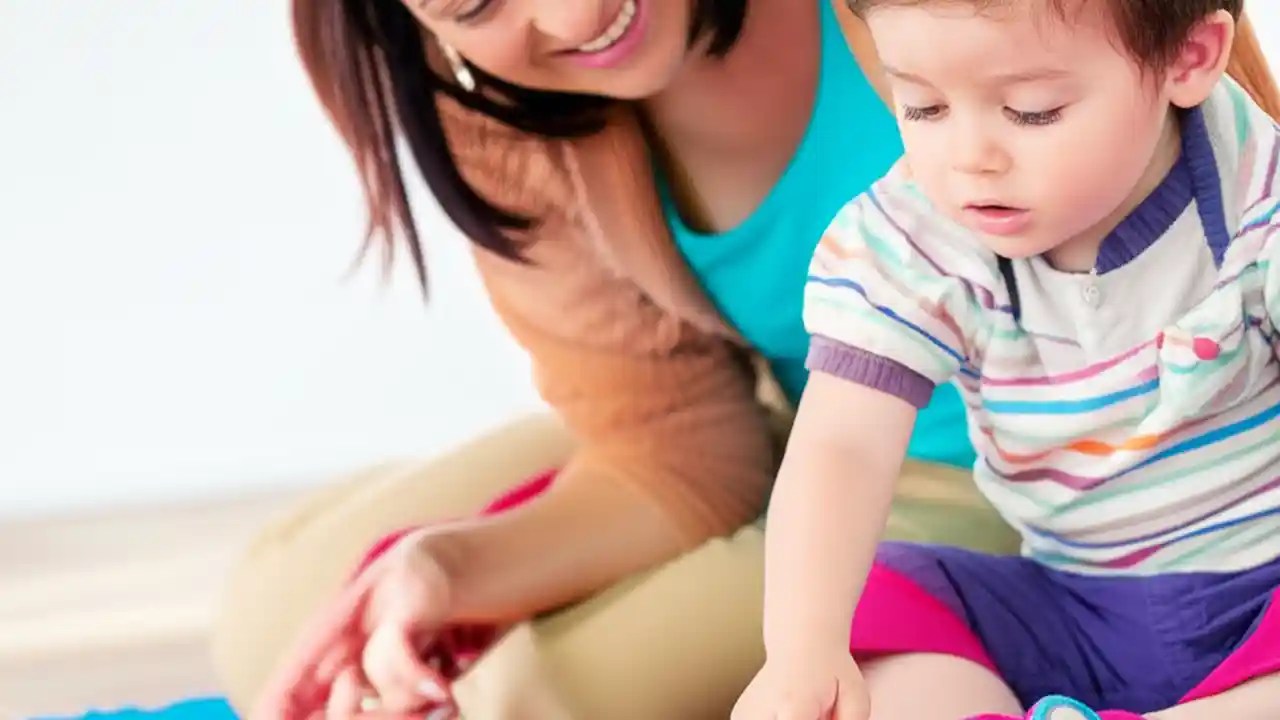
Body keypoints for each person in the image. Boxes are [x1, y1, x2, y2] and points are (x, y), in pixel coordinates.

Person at [210, 0, 1276, 717]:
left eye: (1027, 112)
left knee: (517, 696)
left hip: (990, 468)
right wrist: (455, 567)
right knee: (282, 615)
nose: (577, 17)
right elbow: (687, 442)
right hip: (811, 428)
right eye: (474, 2)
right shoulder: (502, 110)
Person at [732, 1, 1280, 720]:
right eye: (923, 106)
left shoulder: (1259, 188)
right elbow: (843, 442)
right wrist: (803, 653)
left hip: (1266, 591)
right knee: (875, 601)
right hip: (1072, 609)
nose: (970, 158)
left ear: (1190, 57)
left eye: (1031, 111)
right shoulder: (913, 234)